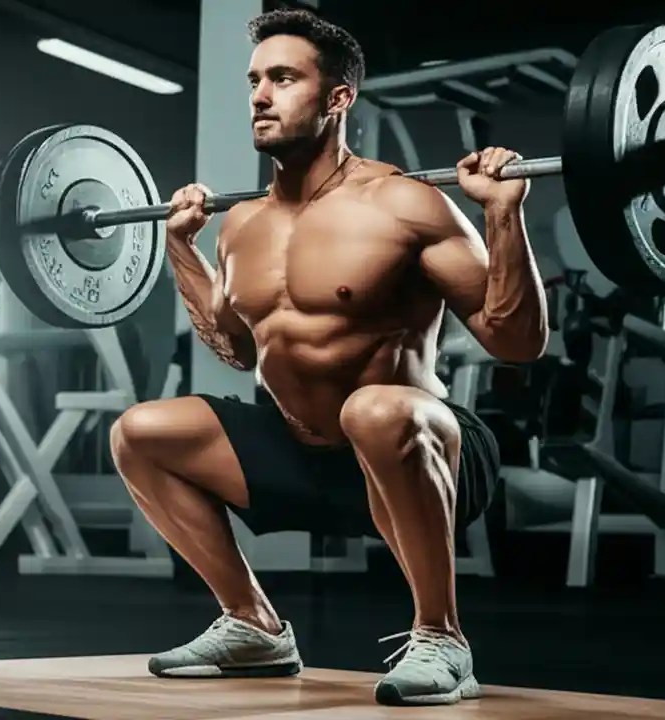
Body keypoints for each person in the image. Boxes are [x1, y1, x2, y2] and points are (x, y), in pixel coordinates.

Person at [109, 8, 547, 707]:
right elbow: (235, 349)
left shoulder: (406, 203)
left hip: (420, 451)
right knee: (140, 433)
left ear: (338, 97)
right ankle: (253, 626)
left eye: (283, 78)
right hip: (306, 456)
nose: (260, 94)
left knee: (373, 408)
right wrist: (180, 250)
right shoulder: (243, 224)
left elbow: (516, 341)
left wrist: (503, 215)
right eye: (255, 79)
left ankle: (442, 637)